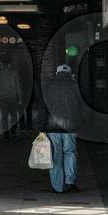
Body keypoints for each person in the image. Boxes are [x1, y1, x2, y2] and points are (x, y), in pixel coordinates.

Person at [42, 63, 81, 193]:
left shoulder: (49, 87)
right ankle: (70, 182)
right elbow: (81, 106)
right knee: (70, 153)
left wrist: (41, 126)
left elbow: (43, 108)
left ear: (57, 73)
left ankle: (57, 186)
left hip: (53, 126)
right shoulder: (75, 86)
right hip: (70, 126)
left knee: (55, 155)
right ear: (69, 74)